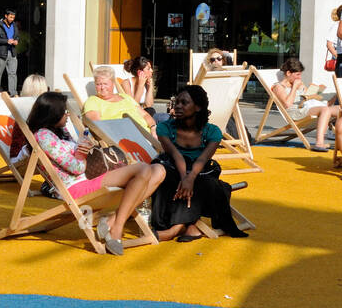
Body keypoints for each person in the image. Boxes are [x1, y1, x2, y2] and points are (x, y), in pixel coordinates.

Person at [26, 91, 164, 256]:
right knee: (142, 169)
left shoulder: (60, 132)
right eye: (64, 112)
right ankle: (117, 228)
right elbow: (76, 167)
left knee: (159, 170)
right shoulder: (43, 136)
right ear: (53, 114)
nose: (68, 114)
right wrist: (81, 154)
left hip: (89, 178)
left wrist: (85, 149)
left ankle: (112, 220)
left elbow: (78, 160)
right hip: (76, 187)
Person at [151, 84, 248, 241]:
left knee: (206, 183)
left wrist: (190, 178)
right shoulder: (164, 128)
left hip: (201, 170)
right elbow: (176, 155)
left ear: (197, 107)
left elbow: (203, 159)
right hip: (174, 168)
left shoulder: (212, 132)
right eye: (177, 102)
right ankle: (190, 226)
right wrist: (185, 178)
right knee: (172, 180)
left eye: (184, 103)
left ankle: (176, 228)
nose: (178, 106)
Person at [271, 57, 339, 152]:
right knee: (325, 110)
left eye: (300, 75)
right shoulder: (278, 87)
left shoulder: (300, 84)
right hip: (295, 112)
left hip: (308, 107)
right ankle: (319, 143)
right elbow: (287, 104)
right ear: (288, 73)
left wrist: (315, 94)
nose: (300, 78)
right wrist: (294, 87)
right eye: (297, 75)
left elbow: (309, 99)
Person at [83, 65, 152, 133]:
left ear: (113, 84)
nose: (102, 87)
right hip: (127, 139)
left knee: (161, 120)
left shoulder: (125, 97)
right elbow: (97, 126)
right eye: (98, 84)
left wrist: (153, 128)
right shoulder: (93, 101)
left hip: (149, 134)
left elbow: (145, 115)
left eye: (105, 84)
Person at [0, 7, 18, 94]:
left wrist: (16, 40)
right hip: (1, 53)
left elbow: (17, 35)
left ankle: (13, 93)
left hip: (12, 52)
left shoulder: (14, 25)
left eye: (13, 17)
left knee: (13, 73)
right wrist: (6, 41)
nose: (12, 19)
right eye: (10, 17)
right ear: (6, 16)